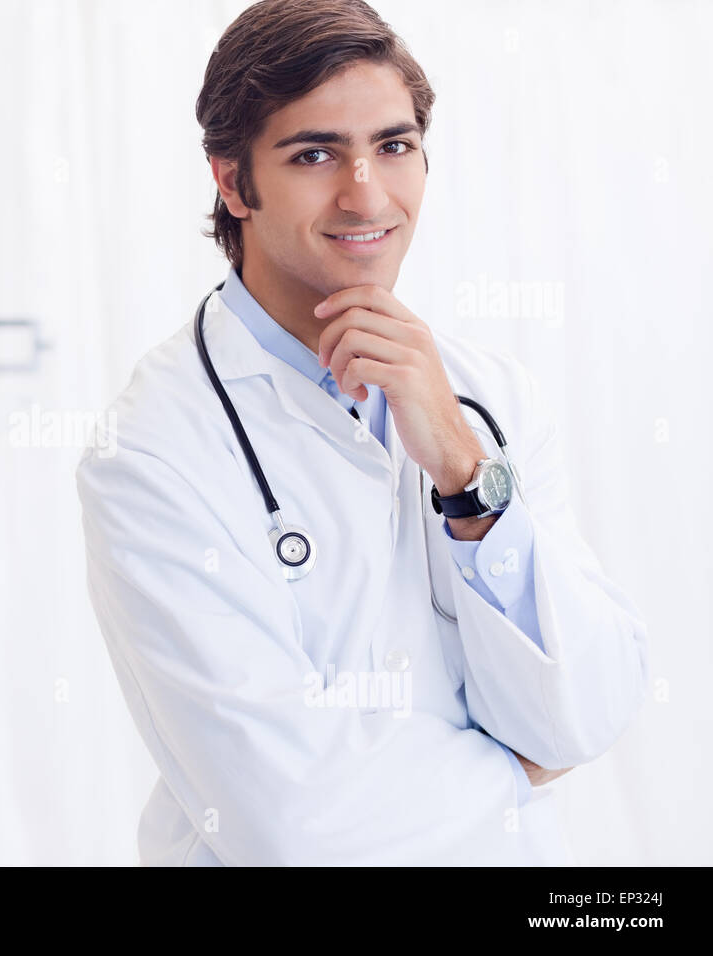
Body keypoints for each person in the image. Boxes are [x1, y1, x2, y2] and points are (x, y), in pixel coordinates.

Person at [75, 0, 648, 866]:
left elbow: (592, 705)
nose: (366, 193)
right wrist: (521, 775)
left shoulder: (490, 401)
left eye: (394, 145)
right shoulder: (154, 449)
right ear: (232, 181)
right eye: (315, 154)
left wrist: (462, 468)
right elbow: (292, 825)